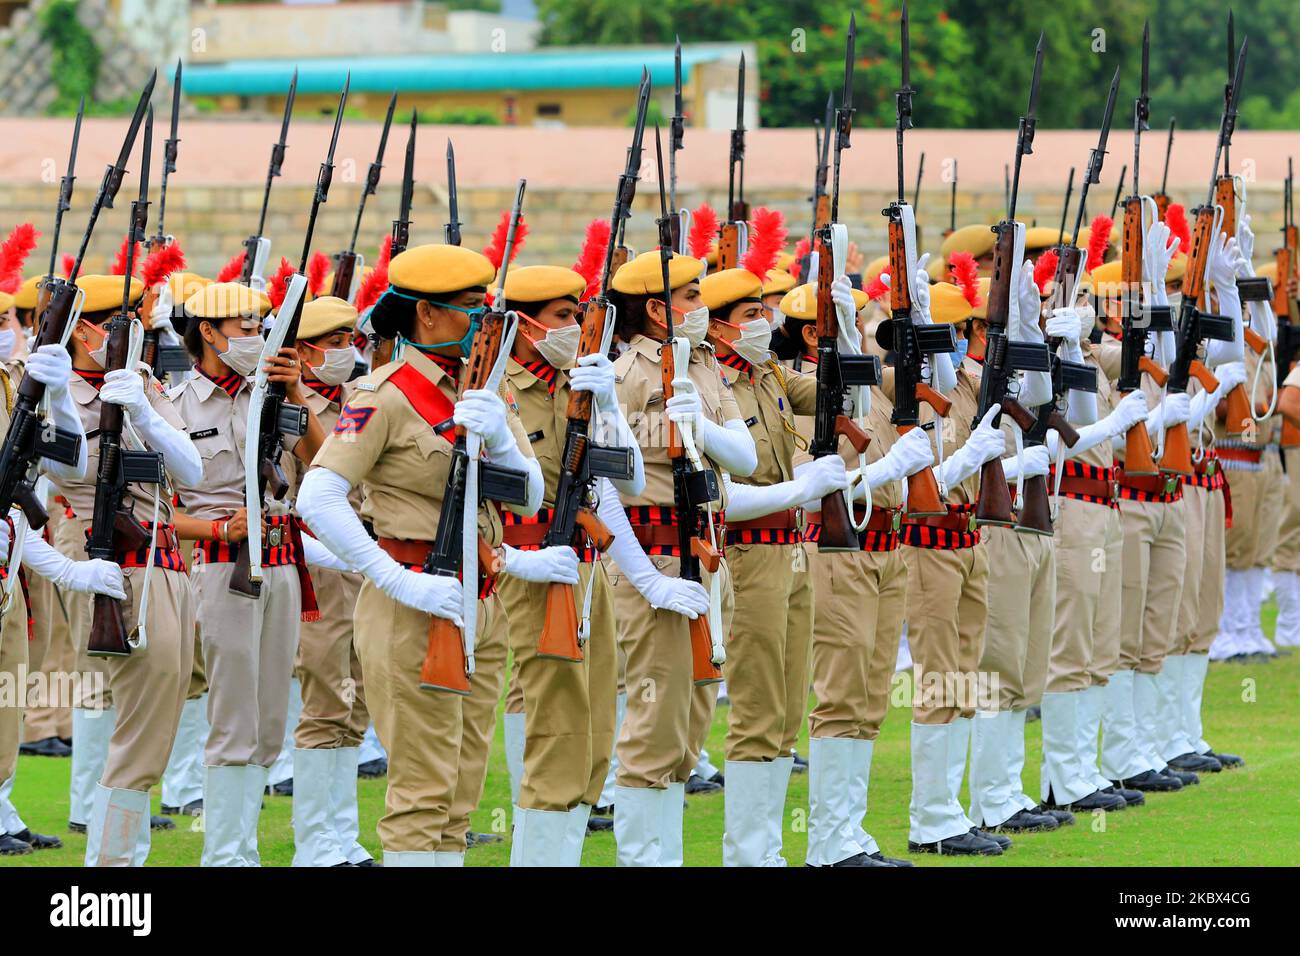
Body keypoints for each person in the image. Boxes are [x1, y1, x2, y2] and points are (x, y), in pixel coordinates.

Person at [298, 243, 571, 867]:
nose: (486, 320)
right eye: (472, 307)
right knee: (421, 794)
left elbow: (528, 494)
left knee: (459, 799)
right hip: (413, 601)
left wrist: (500, 434)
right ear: (427, 313)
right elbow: (319, 497)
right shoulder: (385, 394)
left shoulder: (481, 391)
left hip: (481, 598)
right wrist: (394, 580)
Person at [595, 249, 755, 866]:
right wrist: (648, 581)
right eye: (691, 297)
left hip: (707, 557)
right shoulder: (624, 377)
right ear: (659, 309)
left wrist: (702, 430)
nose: (703, 307)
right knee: (655, 727)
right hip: (656, 561)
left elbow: (742, 458)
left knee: (690, 728)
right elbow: (607, 486)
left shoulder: (705, 365)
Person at [169, 281, 326, 866]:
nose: (255, 338)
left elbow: (328, 462)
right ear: (207, 332)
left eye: (261, 328)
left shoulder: (275, 398)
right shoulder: (175, 405)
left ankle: (246, 848)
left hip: (283, 564)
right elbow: (158, 512)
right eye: (243, 327)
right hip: (221, 568)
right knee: (233, 716)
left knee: (269, 721)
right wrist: (217, 530)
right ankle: (224, 854)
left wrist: (296, 390)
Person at [53, 274, 204, 865]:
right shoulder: (52, 386)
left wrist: (142, 407)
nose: (138, 333)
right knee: (139, 735)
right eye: (124, 324)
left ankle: (117, 864)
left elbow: (189, 468)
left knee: (150, 728)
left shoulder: (141, 382)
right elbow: (68, 471)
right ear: (87, 330)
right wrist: (65, 399)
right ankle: (112, 873)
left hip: (164, 562)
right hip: (110, 568)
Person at [494, 264, 643, 865]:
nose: (576, 326)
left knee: (594, 734)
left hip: (585, 568)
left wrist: (606, 400)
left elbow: (626, 478)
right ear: (525, 324)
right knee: (556, 735)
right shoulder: (497, 389)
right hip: (530, 564)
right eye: (563, 316)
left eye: (579, 314)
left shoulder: (575, 384)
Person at [699, 264, 843, 866]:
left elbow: (844, 388)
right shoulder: (711, 387)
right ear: (719, 327)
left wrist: (846, 327)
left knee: (787, 712)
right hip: (748, 552)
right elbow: (723, 493)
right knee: (758, 710)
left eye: (766, 308)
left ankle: (769, 851)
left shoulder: (768, 374)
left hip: (790, 551)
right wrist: (798, 488)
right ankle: (746, 855)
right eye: (752, 314)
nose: (767, 321)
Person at [285, 295, 376, 866]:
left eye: (351, 341)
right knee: (325, 705)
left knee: (358, 700)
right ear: (308, 351)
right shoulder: (290, 409)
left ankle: (343, 836)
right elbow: (317, 478)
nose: (349, 351)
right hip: (318, 566)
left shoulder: (360, 399)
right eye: (337, 343)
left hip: (365, 558)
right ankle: (315, 844)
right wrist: (296, 396)